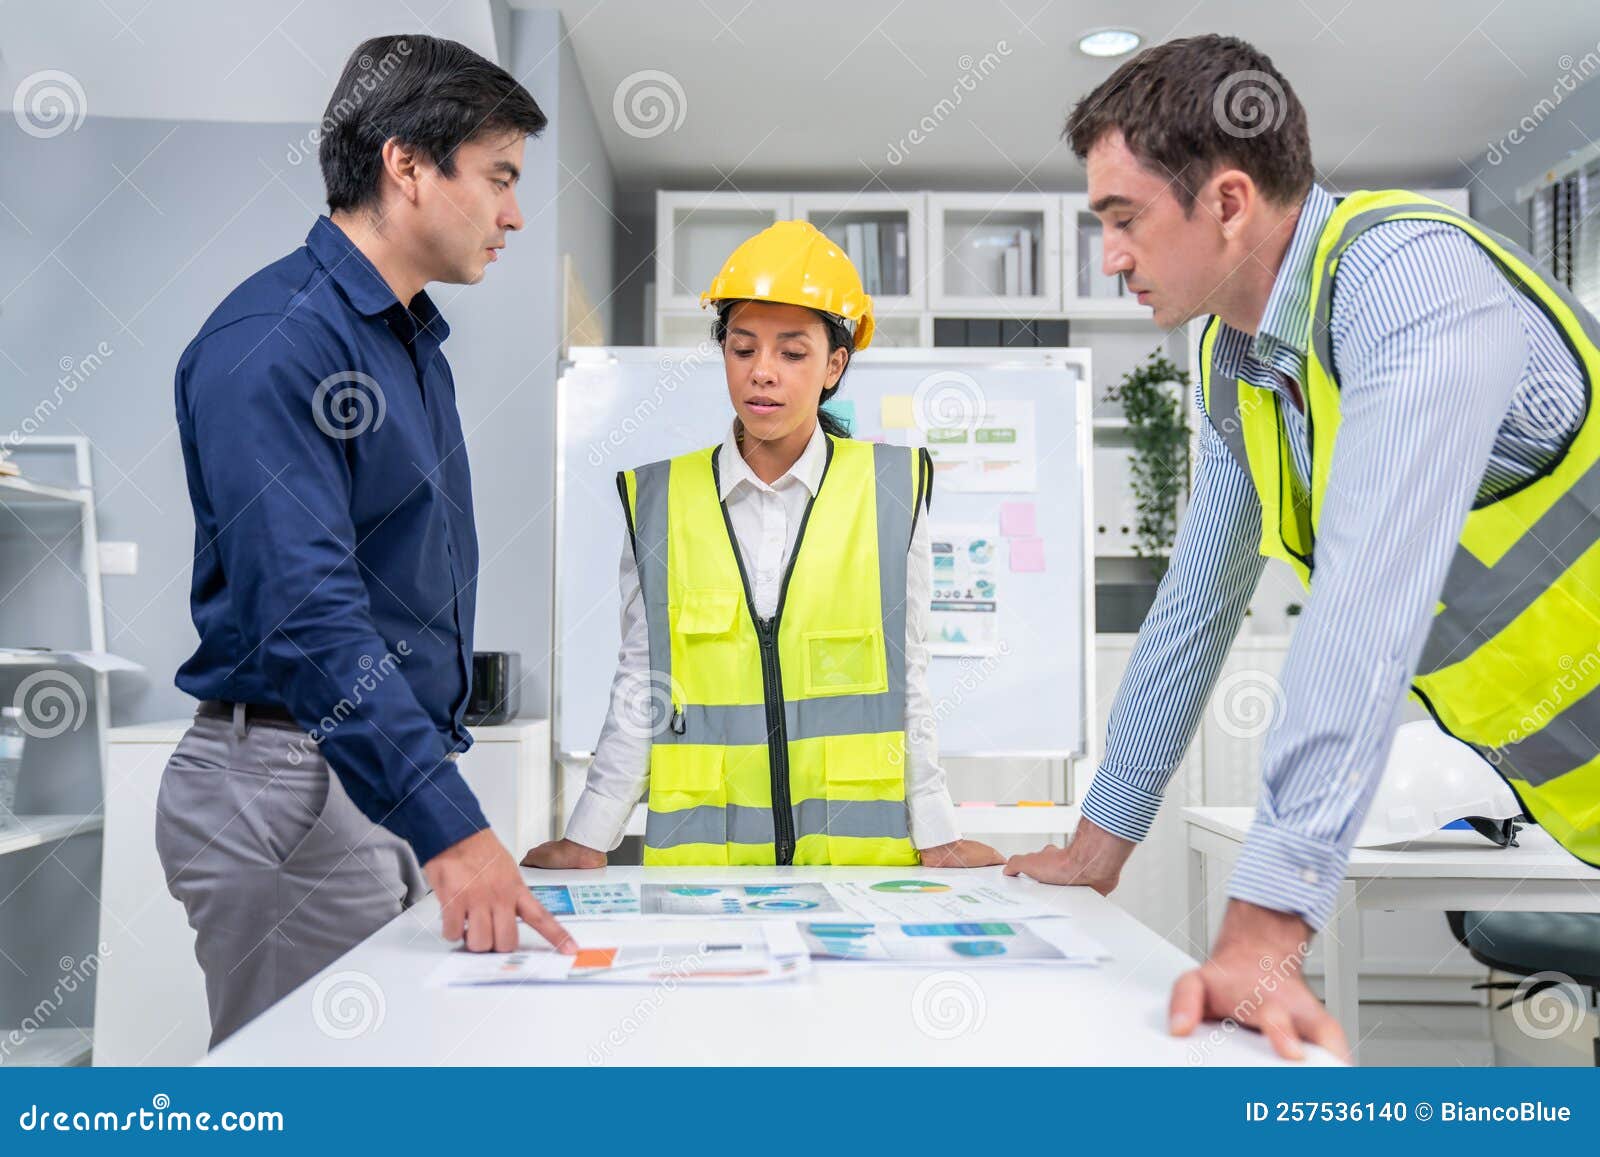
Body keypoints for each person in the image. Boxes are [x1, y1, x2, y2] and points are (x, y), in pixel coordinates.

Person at [1005, 33, 1600, 1061]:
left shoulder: (1410, 280)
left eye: (1123, 218)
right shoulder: (1238, 367)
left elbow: (1372, 590)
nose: (1109, 255)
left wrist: (1267, 924)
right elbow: (1195, 605)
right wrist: (1093, 848)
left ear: (1228, 203)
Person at [159, 34, 574, 1048]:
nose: (514, 213)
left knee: (392, 1084)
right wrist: (453, 825)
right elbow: (306, 618)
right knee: (313, 1100)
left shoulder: (407, 343)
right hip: (292, 778)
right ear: (405, 164)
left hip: (368, 770)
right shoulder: (277, 341)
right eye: (499, 178)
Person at [525, 221, 1002, 868]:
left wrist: (936, 830)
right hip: (708, 884)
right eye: (742, 349)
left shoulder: (891, 490)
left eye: (792, 352)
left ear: (835, 365)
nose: (763, 374)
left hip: (856, 874)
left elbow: (907, 678)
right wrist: (589, 835)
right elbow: (644, 682)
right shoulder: (659, 501)